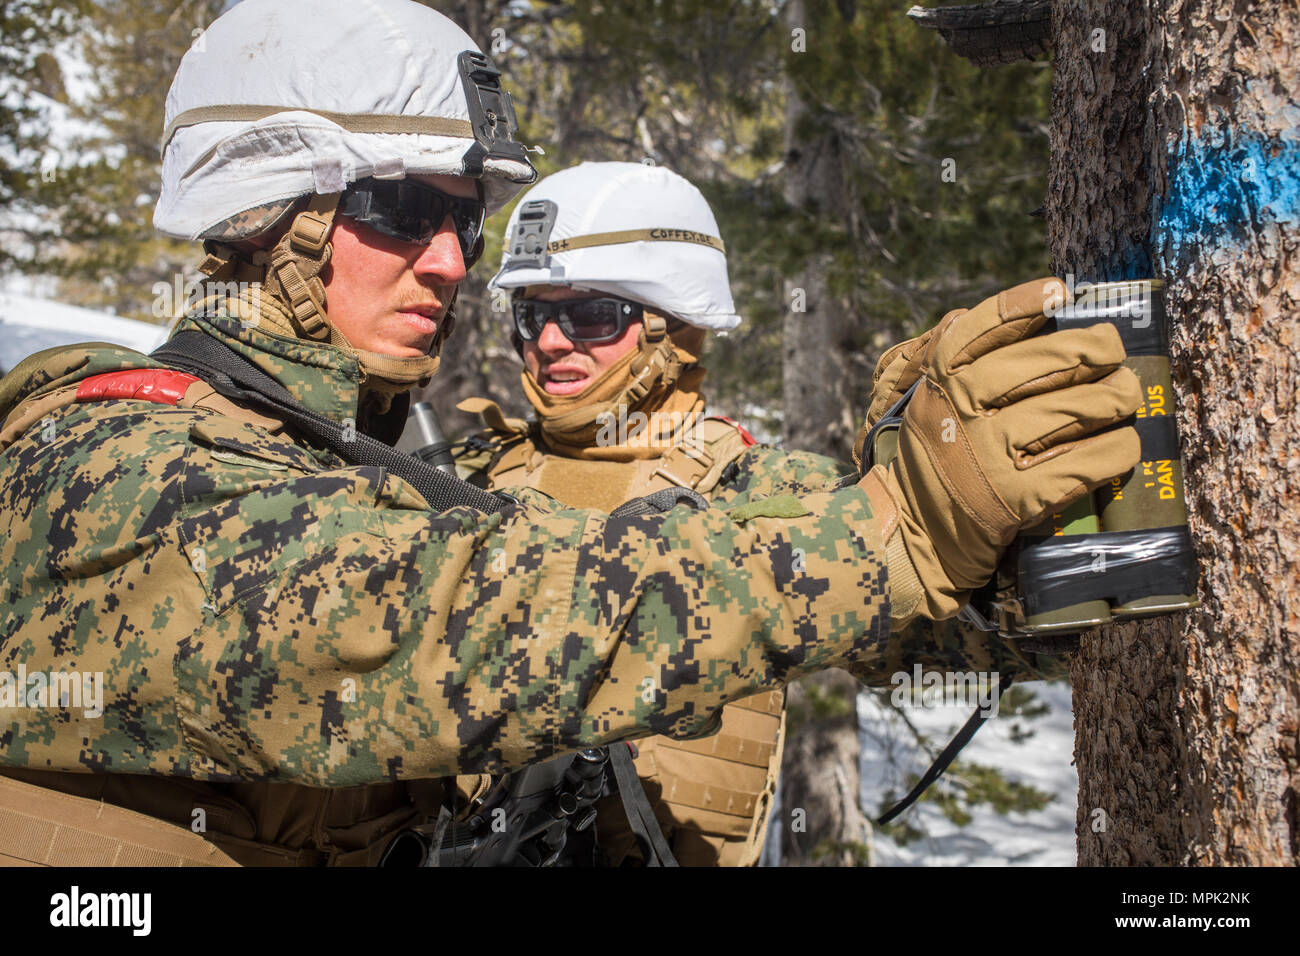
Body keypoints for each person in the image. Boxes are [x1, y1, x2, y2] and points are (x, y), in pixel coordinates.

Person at [0, 0, 1141, 867]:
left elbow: (942, 630)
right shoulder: (111, 466)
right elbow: (447, 619)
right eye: (401, 209)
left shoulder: (349, 466)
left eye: (461, 219)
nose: (451, 261)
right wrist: (891, 530)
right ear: (262, 213)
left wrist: (1049, 550)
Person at [454, 161, 1069, 866]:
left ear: (674, 326)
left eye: (590, 314)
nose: (552, 341)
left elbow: (972, 629)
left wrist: (1009, 533)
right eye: (532, 313)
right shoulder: (457, 475)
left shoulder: (759, 491)